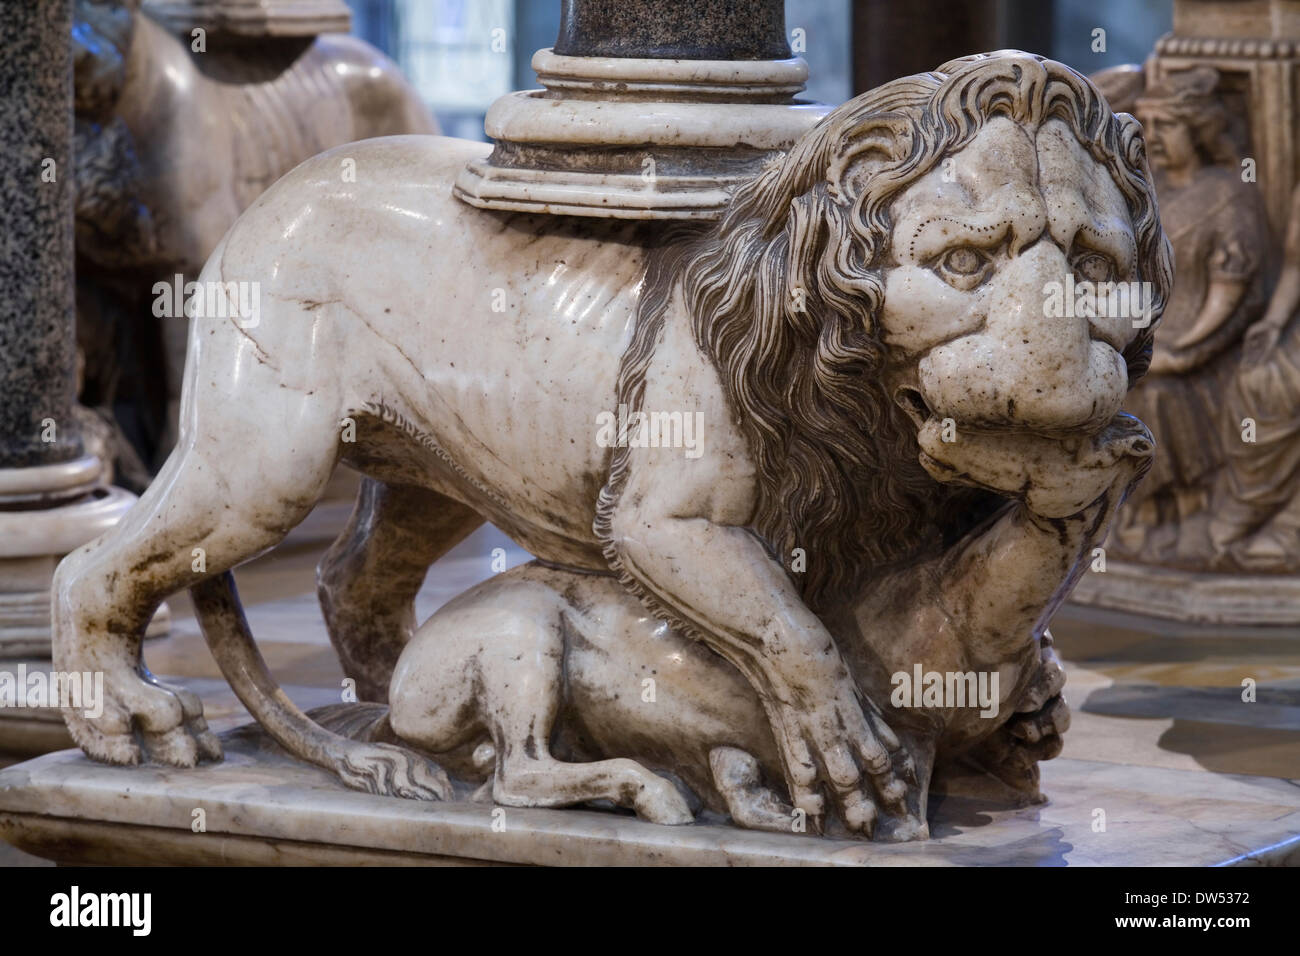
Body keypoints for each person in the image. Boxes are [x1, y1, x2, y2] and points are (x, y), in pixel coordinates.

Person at [1117, 68, 1273, 563]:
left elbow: (1233, 296)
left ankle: (1176, 508)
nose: (1156, 138)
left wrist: (1185, 350)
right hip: (1143, 329)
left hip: (1204, 349)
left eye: (1169, 126)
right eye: (1150, 125)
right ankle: (1124, 504)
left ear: (1201, 131)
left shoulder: (1231, 194)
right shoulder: (1144, 188)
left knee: (1158, 390)